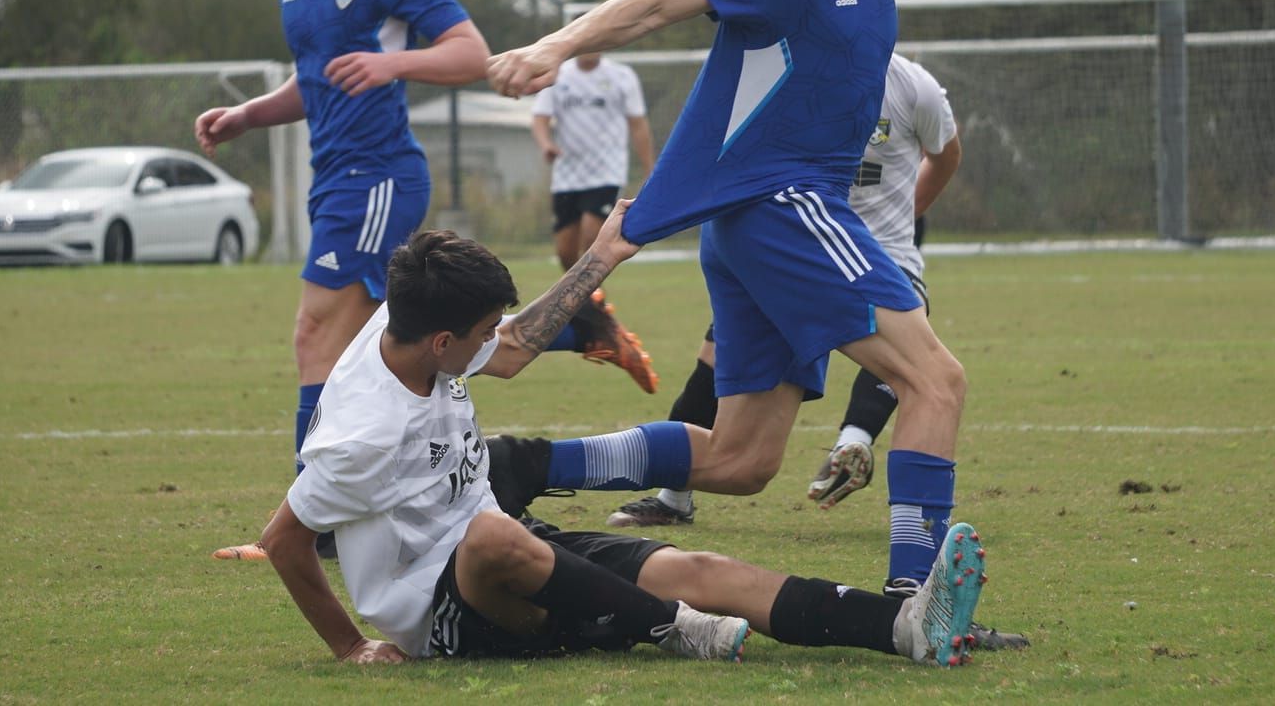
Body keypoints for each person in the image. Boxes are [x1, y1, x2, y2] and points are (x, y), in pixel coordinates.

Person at [487, 0, 1033, 601]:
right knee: (935, 382)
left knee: (741, 461)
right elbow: (656, 3)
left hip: (765, 227)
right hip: (786, 211)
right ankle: (917, 604)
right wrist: (553, 48)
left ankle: (522, 466)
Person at [261, 211, 1008, 668]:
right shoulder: (360, 434)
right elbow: (285, 541)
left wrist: (604, 258)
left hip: (518, 546)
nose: (497, 343)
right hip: (452, 612)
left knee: (702, 565)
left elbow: (519, 344)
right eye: (482, 332)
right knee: (493, 539)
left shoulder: (411, 327)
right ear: (443, 340)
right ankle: (674, 629)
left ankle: (904, 628)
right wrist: (351, 646)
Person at [195, 0, 640, 560]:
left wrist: (391, 65)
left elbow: (471, 53)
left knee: (315, 337)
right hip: (336, 178)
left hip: (376, 178)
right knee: (398, 342)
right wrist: (249, 115)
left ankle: (312, 527)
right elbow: (319, 82)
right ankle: (576, 328)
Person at [608, 53, 964, 543]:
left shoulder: (914, 89)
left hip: (884, 254)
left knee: (916, 358)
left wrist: (910, 210)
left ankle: (853, 444)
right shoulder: (795, 79)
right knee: (714, 366)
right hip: (797, 252)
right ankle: (673, 496)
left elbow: (947, 155)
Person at [530, 51, 659, 393]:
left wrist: (652, 170)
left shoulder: (621, 76)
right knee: (564, 250)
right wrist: (546, 145)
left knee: (593, 233)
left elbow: (638, 124)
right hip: (568, 175)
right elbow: (540, 118)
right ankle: (589, 301)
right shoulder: (558, 75)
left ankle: (591, 307)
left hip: (606, 170)